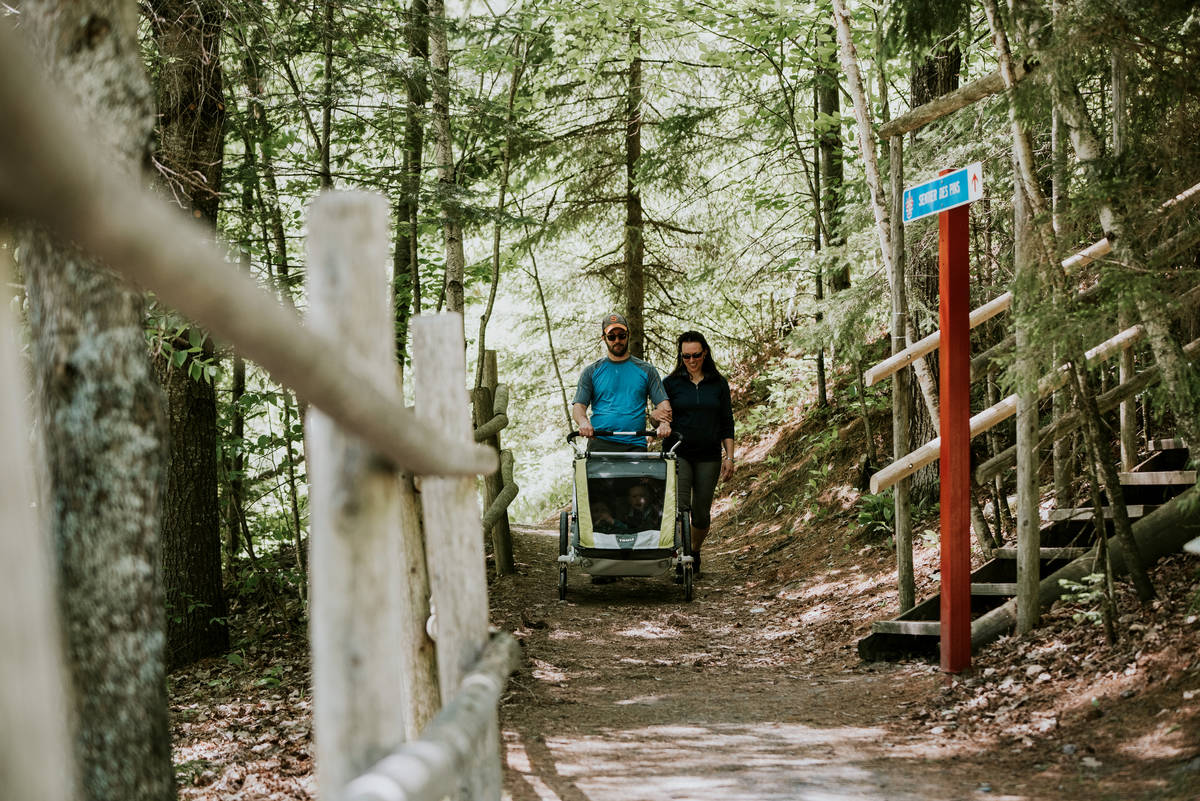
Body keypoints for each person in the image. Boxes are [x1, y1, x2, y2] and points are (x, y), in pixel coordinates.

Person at [663, 331, 735, 579]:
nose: (691, 361)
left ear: (705, 353)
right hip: (678, 452)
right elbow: (658, 412)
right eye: (686, 356)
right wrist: (656, 418)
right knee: (682, 509)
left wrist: (730, 457)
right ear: (680, 356)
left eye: (695, 355)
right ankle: (684, 561)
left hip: (709, 455)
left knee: (701, 512)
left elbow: (727, 422)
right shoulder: (670, 383)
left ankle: (694, 551)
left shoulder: (718, 383)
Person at [572, 312, 671, 452]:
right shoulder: (591, 371)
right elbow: (578, 406)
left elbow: (664, 405)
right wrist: (583, 422)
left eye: (621, 336)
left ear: (628, 335)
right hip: (600, 442)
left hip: (635, 444)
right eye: (611, 337)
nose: (617, 340)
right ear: (604, 339)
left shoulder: (647, 370)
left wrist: (664, 424)